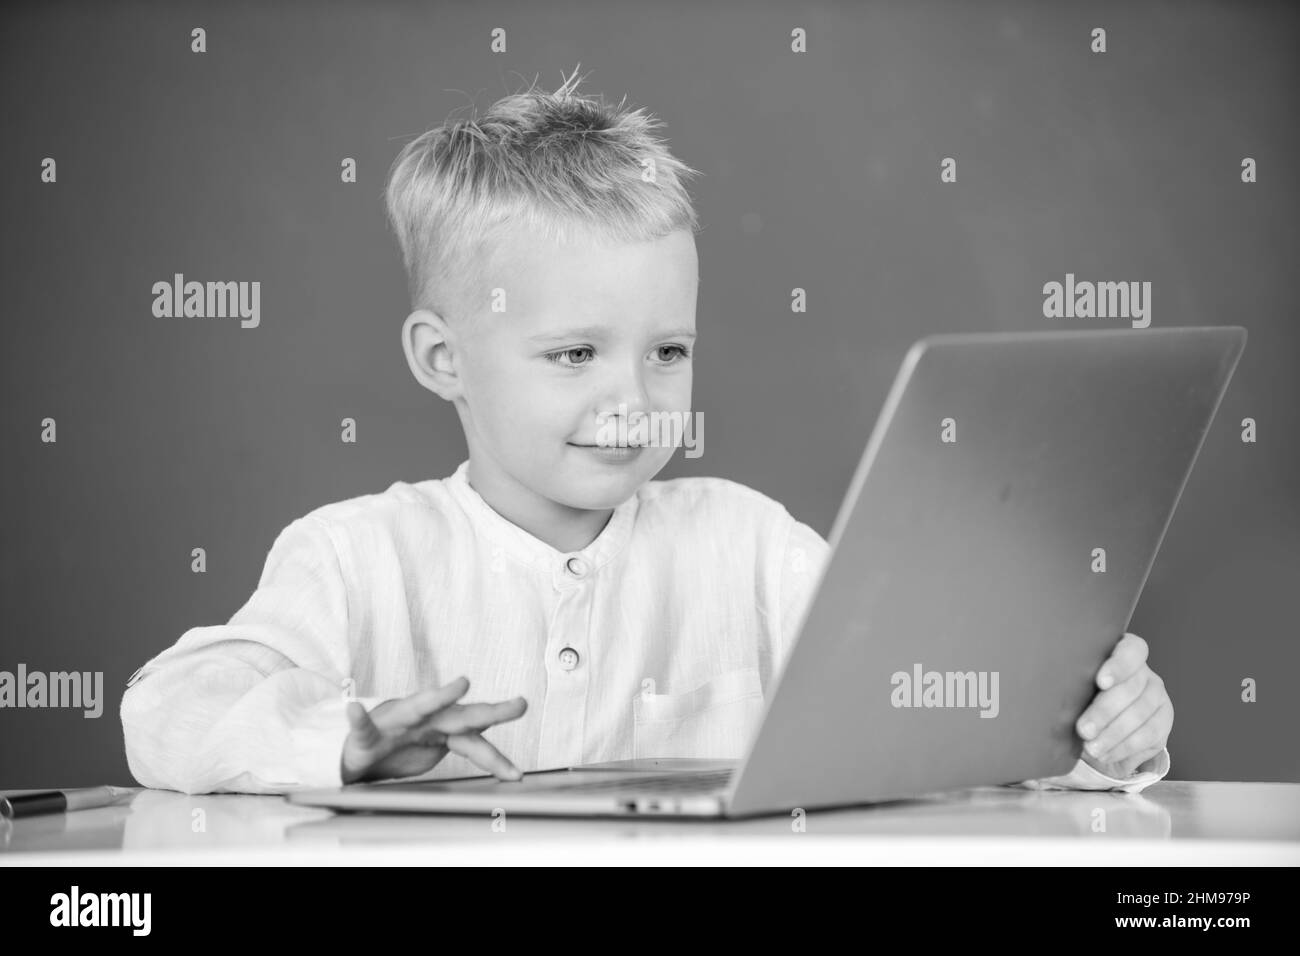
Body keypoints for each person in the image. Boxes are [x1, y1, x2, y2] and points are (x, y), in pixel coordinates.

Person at [120, 69, 1172, 796]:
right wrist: (338, 739)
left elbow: (942, 717)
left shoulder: (748, 545)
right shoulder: (358, 558)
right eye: (574, 354)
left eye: (667, 351)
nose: (633, 397)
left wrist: (1092, 731)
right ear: (444, 358)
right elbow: (166, 710)